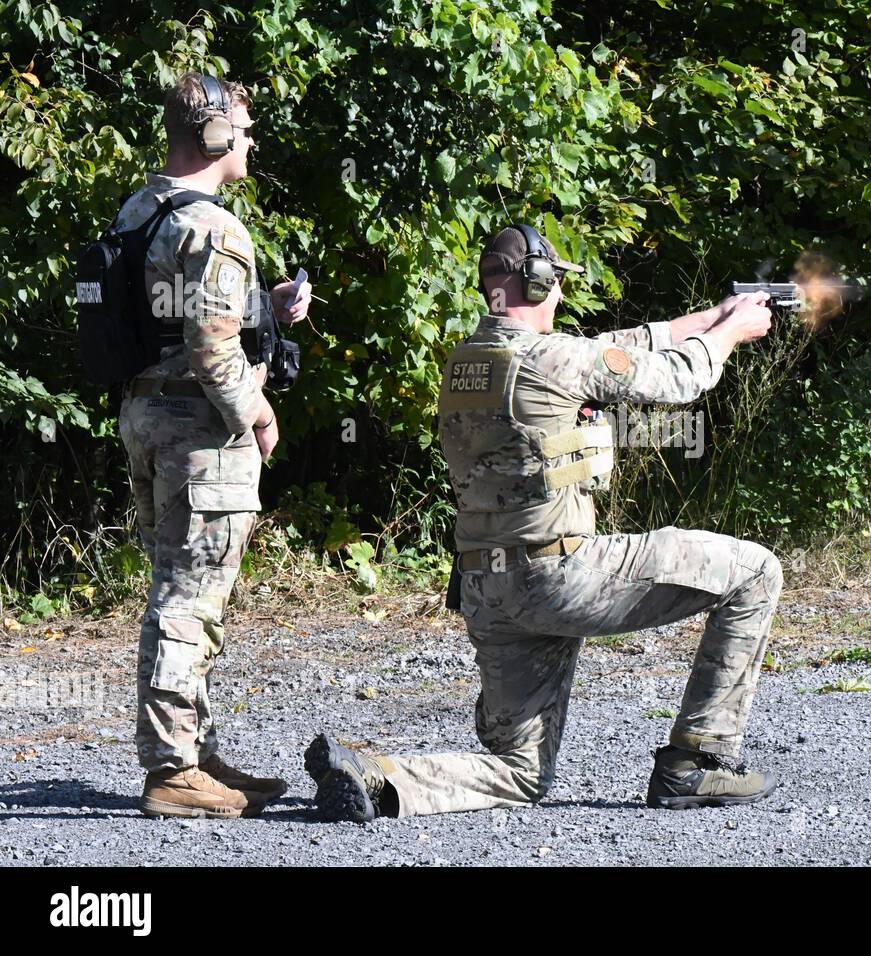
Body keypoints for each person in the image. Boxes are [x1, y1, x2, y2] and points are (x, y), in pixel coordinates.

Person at [307, 223, 782, 821]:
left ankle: (379, 776)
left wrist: (712, 316)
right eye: (555, 283)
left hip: (488, 585)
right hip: (560, 574)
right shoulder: (558, 358)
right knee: (756, 572)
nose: (559, 294)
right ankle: (698, 762)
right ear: (537, 282)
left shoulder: (469, 360)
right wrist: (732, 335)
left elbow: (616, 346)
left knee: (521, 773)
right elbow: (680, 379)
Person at [118, 73, 310, 819]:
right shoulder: (215, 227)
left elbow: (176, 322)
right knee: (187, 598)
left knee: (182, 586)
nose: (252, 140)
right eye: (245, 127)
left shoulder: (143, 210)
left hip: (149, 417)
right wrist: (257, 414)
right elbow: (210, 349)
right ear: (215, 135)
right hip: (202, 430)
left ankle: (193, 751)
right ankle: (171, 769)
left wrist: (269, 308)